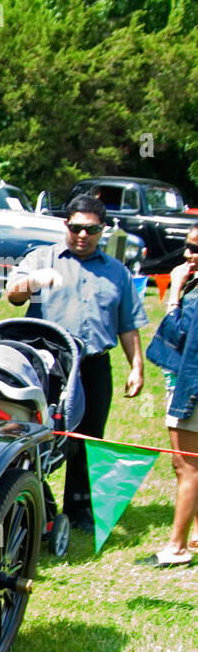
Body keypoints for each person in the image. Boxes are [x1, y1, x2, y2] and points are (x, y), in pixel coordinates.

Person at [5, 193, 147, 532]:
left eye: (91, 229)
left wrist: (137, 366)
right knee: (42, 434)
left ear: (102, 230)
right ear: (65, 225)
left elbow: (127, 325)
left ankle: (79, 507)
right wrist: (32, 281)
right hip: (49, 364)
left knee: (88, 437)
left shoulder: (117, 272)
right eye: (76, 227)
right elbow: (13, 294)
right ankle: (32, 501)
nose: (82, 235)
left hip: (94, 364)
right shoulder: (42, 257)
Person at [147, 225, 198, 564]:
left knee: (186, 467)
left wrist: (174, 292)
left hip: (191, 390)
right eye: (187, 246)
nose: (187, 255)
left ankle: (177, 548)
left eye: (196, 249)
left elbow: (179, 335)